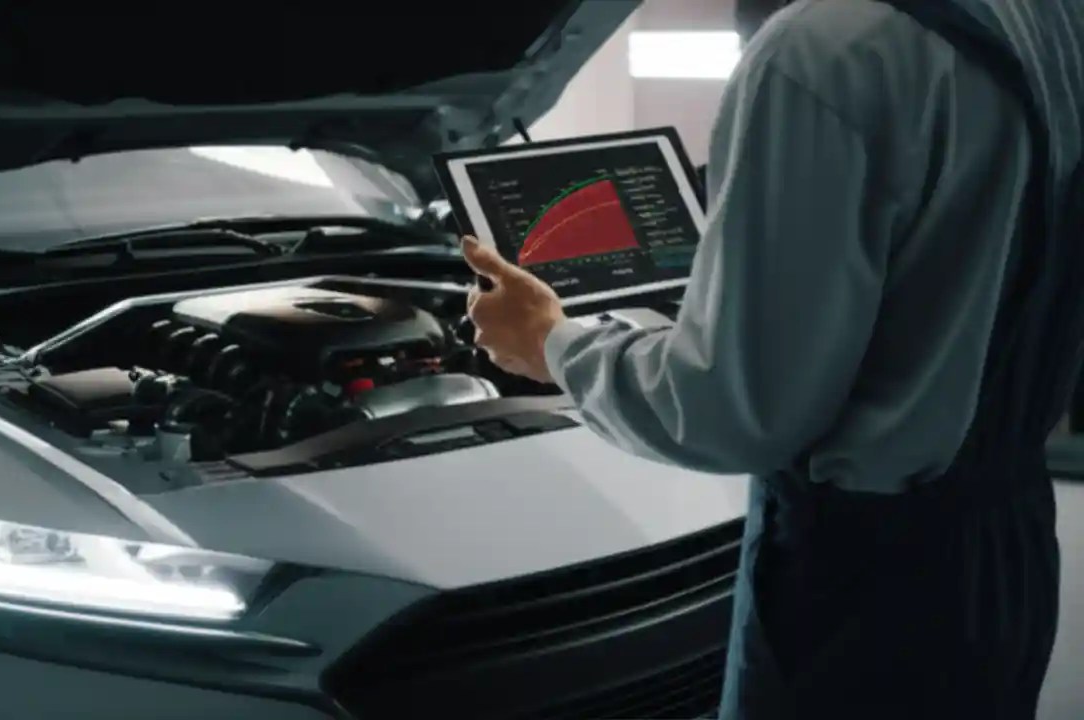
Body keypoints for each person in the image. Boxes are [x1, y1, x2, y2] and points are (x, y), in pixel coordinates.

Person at [461, 0, 1082, 718]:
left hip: (867, 588)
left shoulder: (820, 50)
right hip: (1007, 551)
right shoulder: (1048, 20)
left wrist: (553, 344)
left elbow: (731, 413)